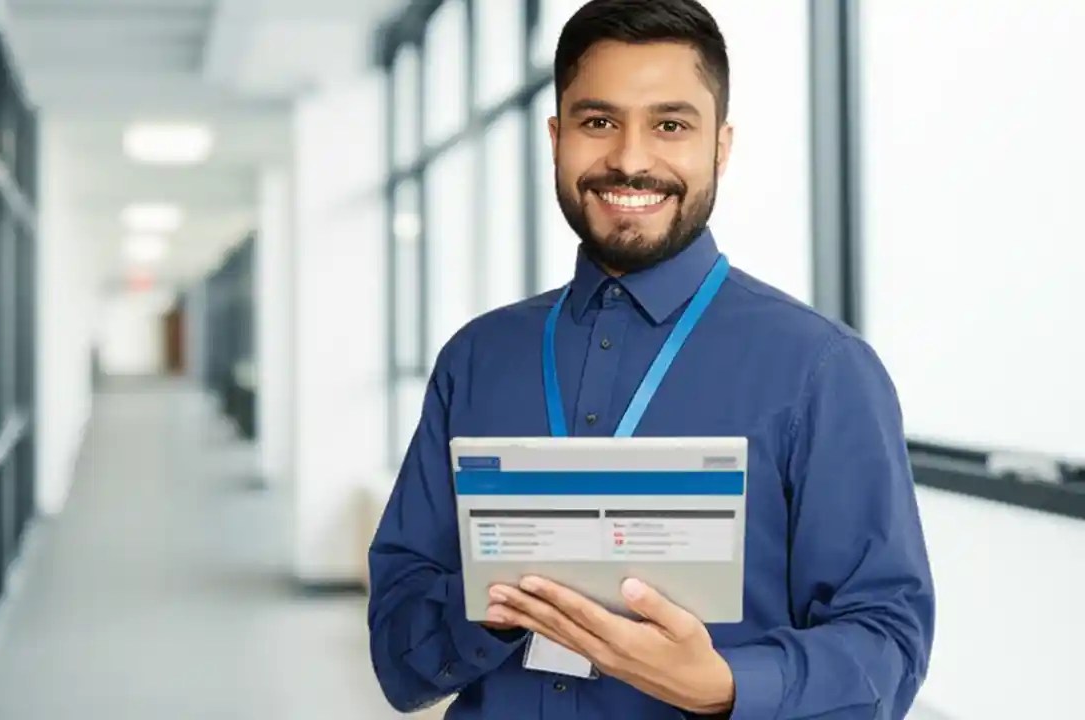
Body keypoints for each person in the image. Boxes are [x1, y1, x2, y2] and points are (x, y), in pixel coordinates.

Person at [366, 0, 935, 717]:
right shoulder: (477, 358)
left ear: (721, 147)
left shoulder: (821, 370)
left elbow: (889, 644)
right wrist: (496, 599)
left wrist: (725, 685)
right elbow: (397, 655)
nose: (630, 158)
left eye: (670, 124)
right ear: (556, 137)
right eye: (598, 121)